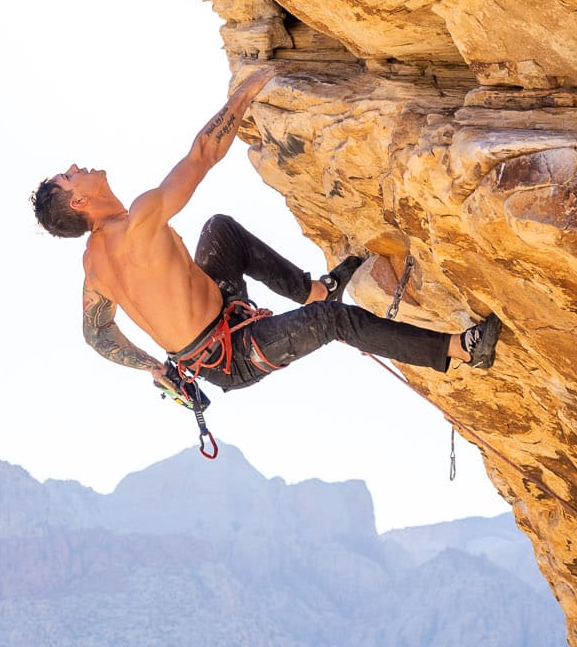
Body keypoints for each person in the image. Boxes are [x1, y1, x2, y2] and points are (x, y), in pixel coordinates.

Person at [30, 67, 501, 411]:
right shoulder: (138, 223)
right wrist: (245, 95)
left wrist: (156, 367)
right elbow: (200, 157)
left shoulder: (93, 267)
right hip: (234, 356)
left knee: (220, 231)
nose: (77, 168)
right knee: (331, 321)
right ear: (78, 203)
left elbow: (97, 334)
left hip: (214, 322)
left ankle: (314, 287)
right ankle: (459, 349)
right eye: (69, 178)